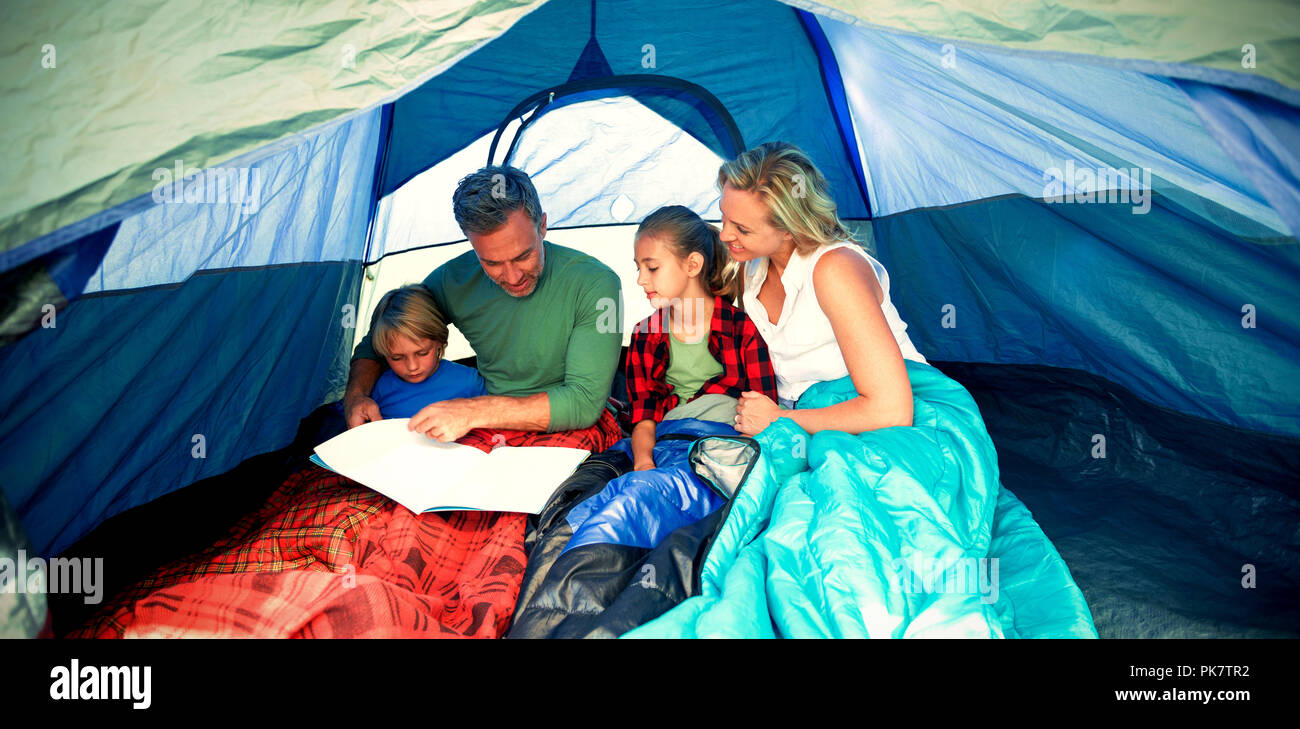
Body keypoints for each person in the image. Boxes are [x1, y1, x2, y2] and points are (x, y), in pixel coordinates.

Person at [343, 166, 622, 443]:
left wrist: (470, 411)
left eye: (523, 256)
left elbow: (583, 403)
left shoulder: (597, 285)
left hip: (569, 425)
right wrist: (356, 397)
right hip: (488, 425)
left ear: (543, 226)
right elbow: (377, 344)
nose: (512, 277)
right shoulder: (454, 280)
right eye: (492, 263)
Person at [721, 142, 928, 436]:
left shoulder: (835, 269)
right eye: (724, 216)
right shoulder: (751, 267)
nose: (725, 234)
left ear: (789, 228)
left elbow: (891, 410)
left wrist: (778, 421)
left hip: (889, 425)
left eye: (742, 229)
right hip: (804, 419)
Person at [625, 205, 778, 470]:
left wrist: (724, 462)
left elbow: (762, 414)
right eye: (638, 268)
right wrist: (643, 464)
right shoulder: (644, 336)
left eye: (651, 268)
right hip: (667, 446)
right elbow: (644, 418)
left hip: (727, 447)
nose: (640, 280)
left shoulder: (741, 329)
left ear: (693, 265)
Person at [365, 284, 487, 419]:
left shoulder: (470, 382)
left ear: (440, 341)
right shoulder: (379, 388)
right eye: (397, 358)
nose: (412, 367)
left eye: (422, 353)